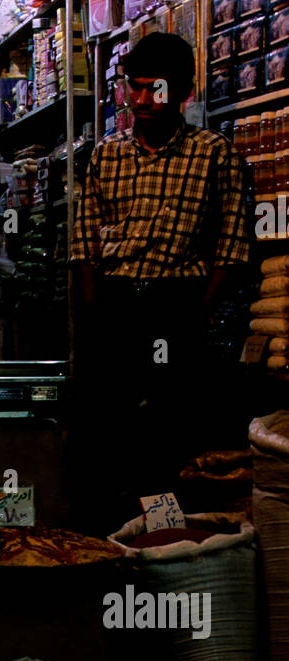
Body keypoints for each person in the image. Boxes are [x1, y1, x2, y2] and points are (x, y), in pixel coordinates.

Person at [69, 31, 252, 528]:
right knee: (105, 423)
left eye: (158, 89)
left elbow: (232, 247)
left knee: (169, 425)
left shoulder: (214, 154)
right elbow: (83, 242)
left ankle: (164, 536)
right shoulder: (107, 154)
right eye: (136, 87)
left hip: (176, 305)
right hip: (115, 303)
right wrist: (93, 309)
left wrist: (196, 311)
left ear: (185, 93)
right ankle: (103, 533)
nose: (145, 100)